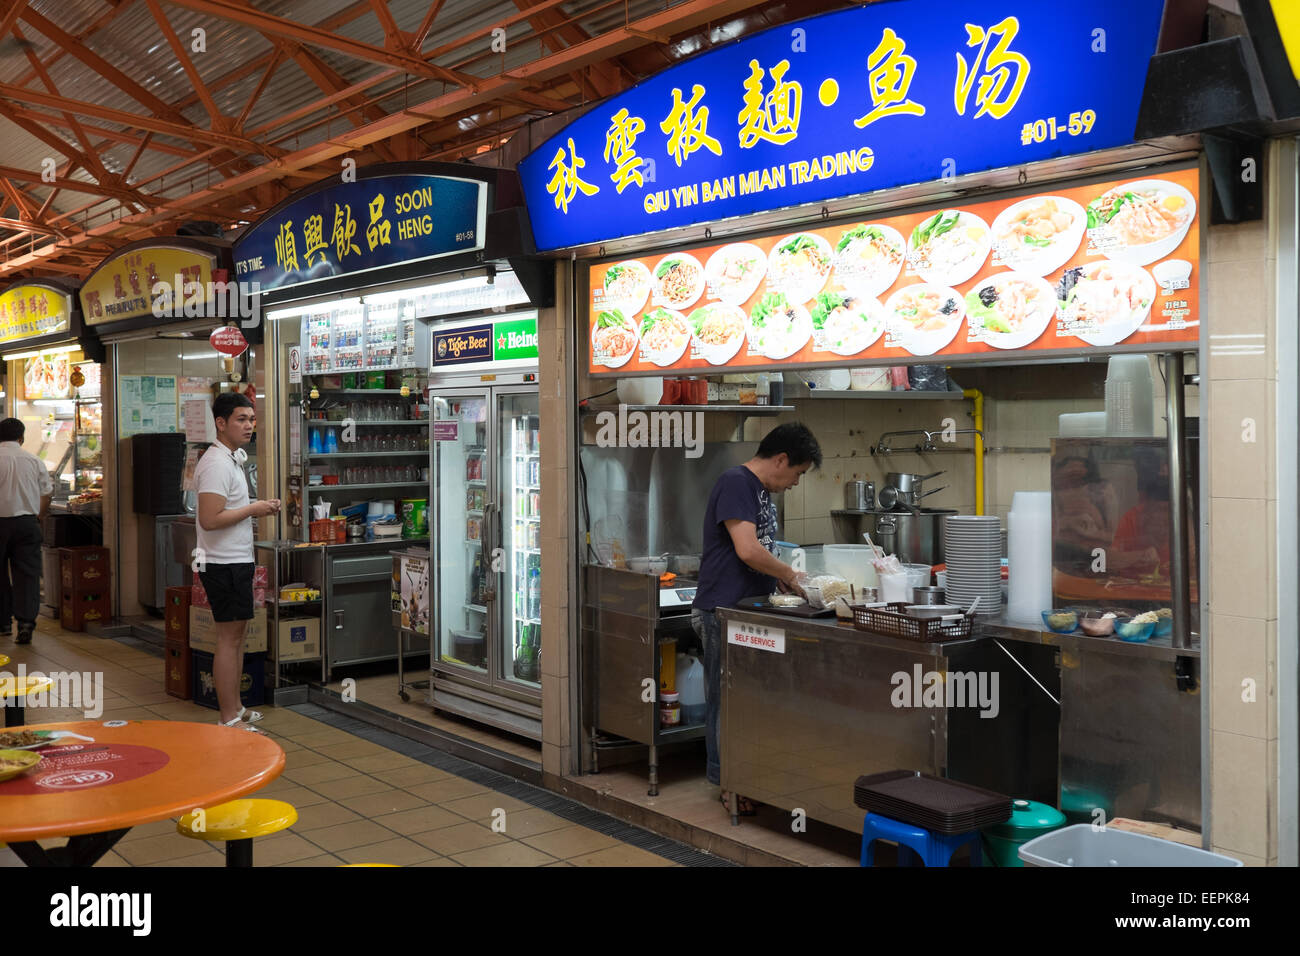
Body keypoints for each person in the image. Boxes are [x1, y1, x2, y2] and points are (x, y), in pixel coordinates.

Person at [691, 422, 821, 816]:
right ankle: (728, 783)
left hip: (747, 610)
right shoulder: (737, 483)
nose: (796, 483)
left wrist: (780, 584)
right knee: (725, 701)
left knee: (745, 702)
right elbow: (747, 550)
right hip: (721, 611)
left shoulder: (762, 492)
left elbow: (761, 551)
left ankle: (745, 775)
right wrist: (790, 574)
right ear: (781, 460)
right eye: (797, 474)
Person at [195, 393, 279, 731]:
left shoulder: (229, 459)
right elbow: (210, 519)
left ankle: (237, 706)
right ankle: (227, 716)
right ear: (221, 423)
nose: (249, 425)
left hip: (234, 561)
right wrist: (255, 509)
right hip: (222, 564)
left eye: (251, 419)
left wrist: (252, 507)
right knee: (228, 640)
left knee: (237, 637)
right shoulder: (215, 463)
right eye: (241, 419)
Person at [0, 418, 53, 645]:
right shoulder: (34, 460)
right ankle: (25, 625)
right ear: (21, 438)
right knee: (27, 574)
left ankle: (2, 623)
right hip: (27, 524)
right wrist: (37, 518)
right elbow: (47, 493)